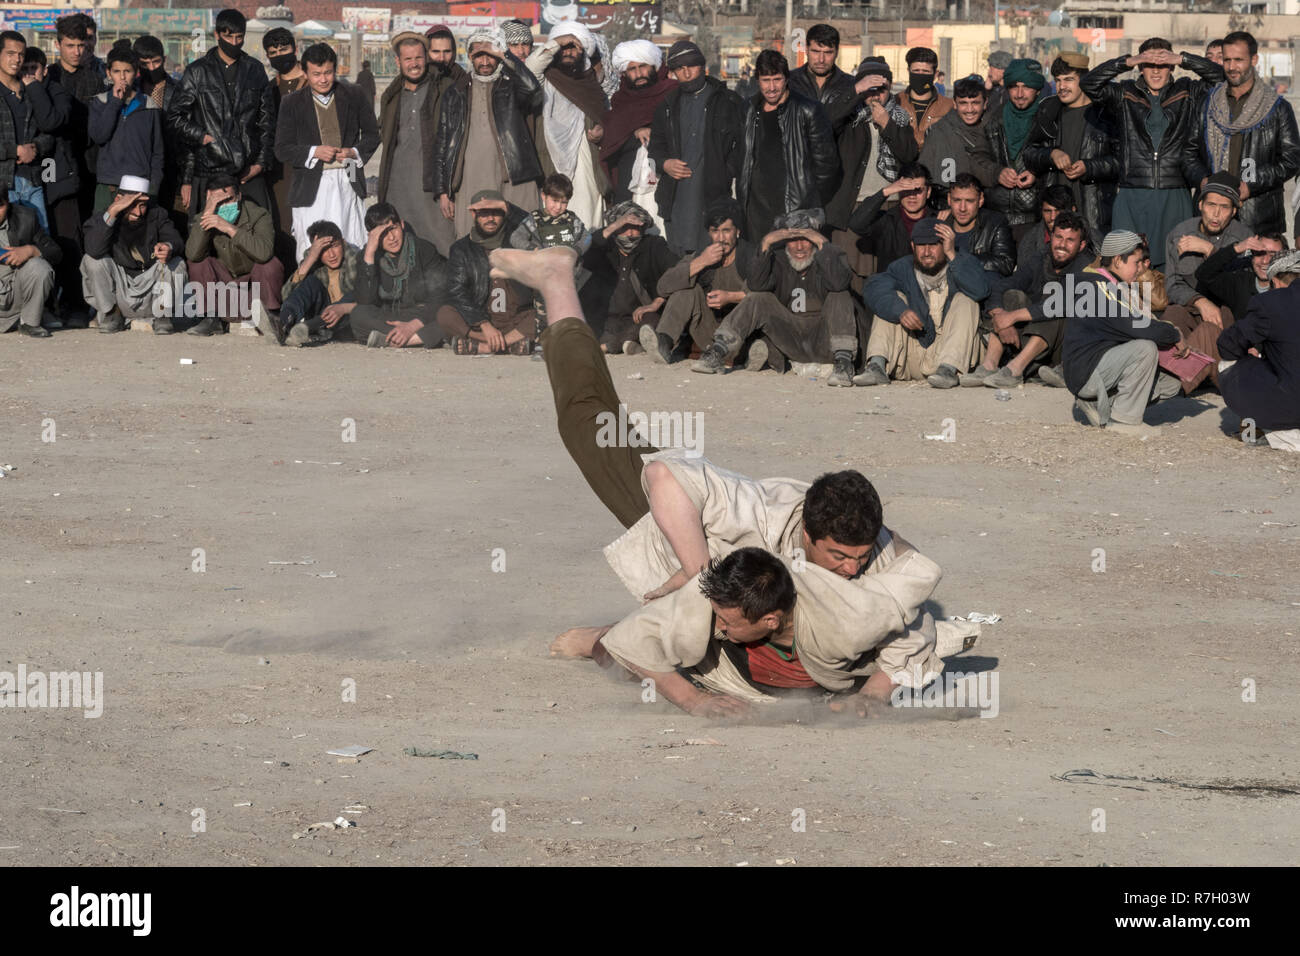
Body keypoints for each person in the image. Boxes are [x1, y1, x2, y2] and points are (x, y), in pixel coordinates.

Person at [483, 245, 968, 712]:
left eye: (858, 559)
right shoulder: (762, 513)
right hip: (676, 520)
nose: (848, 570)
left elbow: (913, 596)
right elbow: (663, 476)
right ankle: (557, 281)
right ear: (806, 533)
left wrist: (873, 694)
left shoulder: (868, 553)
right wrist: (695, 571)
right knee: (588, 423)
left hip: (736, 622)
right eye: (838, 556)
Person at [1082, 37, 1224, 269]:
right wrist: (1128, 60)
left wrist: (1183, 58)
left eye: (1163, 65)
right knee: (1126, 265)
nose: (1156, 72)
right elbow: (1088, 83)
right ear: (1140, 67)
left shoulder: (1187, 91)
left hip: (1174, 191)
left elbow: (1222, 78)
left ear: (1171, 67)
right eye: (1149, 65)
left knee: (1173, 264)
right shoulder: (1124, 94)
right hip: (1132, 192)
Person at [692, 208, 859, 386]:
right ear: (785, 242)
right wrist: (767, 242)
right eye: (793, 241)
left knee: (839, 295)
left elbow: (839, 283)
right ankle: (718, 351)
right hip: (791, 340)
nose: (799, 247)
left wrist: (822, 243)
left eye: (805, 239)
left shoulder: (826, 257)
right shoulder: (779, 260)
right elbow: (755, 285)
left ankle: (843, 365)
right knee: (758, 297)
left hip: (826, 342)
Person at [1062, 230, 1186, 438]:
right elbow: (1138, 327)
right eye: (1137, 262)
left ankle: (1100, 405)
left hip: (1100, 365)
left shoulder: (1112, 285)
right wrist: (1174, 333)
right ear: (1118, 260)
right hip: (1086, 372)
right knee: (1144, 348)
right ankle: (1124, 421)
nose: (1141, 269)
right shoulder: (1098, 286)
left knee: (1170, 384)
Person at [433, 27, 544, 242]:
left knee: (522, 238)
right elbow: (443, 142)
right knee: (473, 237)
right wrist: (443, 191)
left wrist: (504, 54)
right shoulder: (456, 92)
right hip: (471, 176)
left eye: (490, 55)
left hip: (514, 173)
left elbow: (533, 90)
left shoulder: (510, 87)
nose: (485, 62)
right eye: (478, 55)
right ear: (470, 57)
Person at [273, 43, 379, 260]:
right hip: (311, 187)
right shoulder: (291, 102)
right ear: (305, 72)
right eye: (316, 74)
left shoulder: (354, 94)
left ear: (336, 70)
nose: (323, 79)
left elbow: (372, 135)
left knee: (351, 242)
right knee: (312, 247)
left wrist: (354, 152)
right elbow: (282, 149)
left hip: (347, 180)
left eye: (328, 73)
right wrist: (313, 152)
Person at [964, 210, 1092, 388]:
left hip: (1063, 347)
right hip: (1028, 340)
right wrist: (1000, 316)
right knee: (1012, 295)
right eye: (1058, 237)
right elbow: (1002, 285)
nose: (1062, 244)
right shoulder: (1041, 258)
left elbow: (1058, 304)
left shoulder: (1086, 266)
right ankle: (989, 365)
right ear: (1051, 237)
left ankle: (1015, 370)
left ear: (1081, 245)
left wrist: (1013, 317)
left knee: (1053, 301)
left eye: (1070, 240)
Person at [168, 9, 276, 218]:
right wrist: (202, 137)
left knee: (255, 236)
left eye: (239, 37)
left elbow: (266, 122)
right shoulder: (197, 72)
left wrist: (260, 164)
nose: (234, 42)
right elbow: (174, 117)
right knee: (206, 237)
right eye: (228, 36)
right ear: (217, 35)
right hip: (209, 168)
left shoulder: (255, 70)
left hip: (247, 171)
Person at [859, 216, 989, 388]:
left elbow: (980, 290)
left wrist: (952, 254)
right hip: (913, 355)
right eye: (921, 245)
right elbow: (872, 288)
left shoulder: (963, 262)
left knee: (966, 300)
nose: (927, 252)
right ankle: (876, 366)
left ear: (945, 244)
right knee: (889, 300)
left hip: (953, 355)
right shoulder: (902, 267)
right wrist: (901, 311)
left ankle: (948, 371)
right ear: (913, 246)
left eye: (934, 244)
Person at [1193, 30, 1300, 237]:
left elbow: (1291, 160)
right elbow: (1189, 151)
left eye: (1239, 60)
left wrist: (1250, 186)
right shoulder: (1208, 104)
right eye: (1227, 60)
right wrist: (1204, 181)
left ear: (1254, 59)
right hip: (1211, 216)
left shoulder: (1277, 108)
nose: (1232, 67)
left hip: (1258, 218)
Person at [647, 40, 743, 256]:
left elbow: (742, 147)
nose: (687, 73)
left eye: (691, 65)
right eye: (680, 68)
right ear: (673, 73)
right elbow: (654, 150)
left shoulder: (728, 101)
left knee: (713, 254)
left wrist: (725, 171)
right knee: (680, 257)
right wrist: (664, 164)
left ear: (702, 65)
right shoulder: (667, 105)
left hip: (713, 195)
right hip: (676, 196)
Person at [826, 57, 917, 286]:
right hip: (852, 206)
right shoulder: (849, 119)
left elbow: (909, 154)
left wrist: (887, 124)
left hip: (890, 205)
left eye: (882, 90)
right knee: (852, 276)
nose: (875, 96)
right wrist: (855, 90)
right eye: (870, 89)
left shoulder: (900, 117)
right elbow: (823, 121)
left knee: (888, 273)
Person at [377, 30, 463, 257]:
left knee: (442, 244)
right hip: (398, 186)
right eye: (408, 59)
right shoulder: (392, 95)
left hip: (432, 186)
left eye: (418, 57)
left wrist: (447, 189)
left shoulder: (444, 88)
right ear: (398, 61)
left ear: (426, 57)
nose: (414, 64)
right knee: (403, 247)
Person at [737, 49, 839, 242]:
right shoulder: (748, 109)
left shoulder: (809, 109)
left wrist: (807, 200)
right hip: (756, 210)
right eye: (766, 80)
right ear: (757, 80)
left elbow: (827, 166)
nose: (772, 87)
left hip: (795, 210)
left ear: (786, 79)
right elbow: (743, 157)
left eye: (777, 79)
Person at [1022, 53, 1120, 246]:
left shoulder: (1106, 113)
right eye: (1057, 80)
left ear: (1084, 79)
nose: (1061, 87)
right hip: (1055, 217)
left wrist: (1089, 167)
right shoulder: (1048, 109)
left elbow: (1122, 162)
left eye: (1069, 80)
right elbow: (1029, 153)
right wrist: (1051, 154)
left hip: (1093, 214)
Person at [647, 200, 754, 364]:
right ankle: (664, 342)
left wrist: (731, 297)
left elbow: (764, 296)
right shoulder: (703, 254)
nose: (720, 238)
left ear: (737, 231)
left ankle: (747, 355)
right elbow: (663, 287)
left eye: (726, 231)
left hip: (741, 333)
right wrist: (701, 262)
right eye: (715, 231)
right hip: (710, 333)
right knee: (687, 289)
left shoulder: (750, 256)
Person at [525, 22, 609, 230]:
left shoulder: (590, 84)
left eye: (574, 47)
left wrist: (602, 131)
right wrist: (557, 42)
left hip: (585, 155)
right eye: (564, 47)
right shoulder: (545, 80)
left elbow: (607, 118)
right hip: (550, 155)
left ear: (584, 52)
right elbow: (529, 68)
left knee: (588, 215)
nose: (568, 51)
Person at [21, 44, 82, 325]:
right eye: (25, 70)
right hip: (33, 182)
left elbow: (49, 120)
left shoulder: (55, 92)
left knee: (66, 245)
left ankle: (74, 305)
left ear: (45, 70)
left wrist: (34, 87)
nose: (28, 75)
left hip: (60, 180)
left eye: (34, 69)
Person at [80, 175, 185, 334]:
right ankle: (111, 314)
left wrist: (168, 247)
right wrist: (113, 211)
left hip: (152, 290)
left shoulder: (157, 215)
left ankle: (163, 315)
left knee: (176, 263)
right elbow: (94, 249)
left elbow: (175, 240)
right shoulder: (102, 218)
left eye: (142, 205)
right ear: (118, 199)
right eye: (132, 205)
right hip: (120, 291)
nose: (138, 212)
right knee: (91, 260)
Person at [184, 173, 283, 336]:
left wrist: (230, 229)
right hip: (227, 292)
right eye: (217, 201)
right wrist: (207, 215)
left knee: (270, 264)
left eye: (228, 199)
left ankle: (271, 317)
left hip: (254, 292)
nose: (223, 205)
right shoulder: (204, 216)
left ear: (239, 196)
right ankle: (211, 318)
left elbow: (264, 253)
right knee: (198, 263)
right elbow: (193, 254)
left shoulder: (259, 215)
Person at [437, 190, 535, 355]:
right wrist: (484, 324)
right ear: (474, 214)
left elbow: (538, 228)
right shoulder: (461, 249)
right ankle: (506, 344)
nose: (490, 219)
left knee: (544, 313)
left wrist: (507, 206)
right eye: (484, 214)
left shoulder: (518, 240)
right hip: (481, 322)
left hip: (516, 319)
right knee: (445, 314)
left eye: (496, 213)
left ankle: (485, 347)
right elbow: (456, 291)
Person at [1218, 249, 1300, 438]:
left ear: (1276, 281)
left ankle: (1257, 429)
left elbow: (1227, 345)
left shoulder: (1271, 302)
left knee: (1233, 364)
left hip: (1292, 408)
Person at [579, 200, 676, 354]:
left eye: (635, 228)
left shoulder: (653, 245)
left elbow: (675, 271)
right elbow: (587, 248)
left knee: (652, 322)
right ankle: (627, 344)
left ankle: (609, 347)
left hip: (637, 318)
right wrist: (616, 224)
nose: (630, 234)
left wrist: (657, 302)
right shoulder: (606, 248)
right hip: (606, 320)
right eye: (624, 227)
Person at [349, 202, 446, 349]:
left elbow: (440, 296)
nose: (391, 238)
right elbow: (365, 300)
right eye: (383, 234)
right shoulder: (367, 256)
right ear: (372, 236)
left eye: (393, 229)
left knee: (451, 314)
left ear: (401, 224)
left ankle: (403, 339)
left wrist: (412, 326)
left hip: (422, 315)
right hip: (392, 317)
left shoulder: (423, 249)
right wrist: (369, 255)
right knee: (358, 314)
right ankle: (419, 338)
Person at [1163, 172, 1251, 330]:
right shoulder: (1178, 234)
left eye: (1224, 207)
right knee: (1171, 317)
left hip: (1226, 310)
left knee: (1215, 326)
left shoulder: (1244, 238)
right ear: (1200, 205)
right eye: (1211, 205)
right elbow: (1173, 284)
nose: (1216, 214)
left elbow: (1240, 288)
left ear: (1233, 212)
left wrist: (1209, 250)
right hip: (1190, 306)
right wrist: (1200, 302)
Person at [974, 58, 1046, 241]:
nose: (1020, 94)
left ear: (1037, 90)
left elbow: (1057, 162)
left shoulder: (1049, 122)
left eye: (1026, 87)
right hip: (995, 218)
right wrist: (997, 172)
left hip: (1036, 219)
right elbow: (977, 159)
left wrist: (1036, 174)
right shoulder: (991, 121)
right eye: (1014, 87)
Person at [87, 46, 163, 213]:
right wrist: (115, 102)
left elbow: (157, 152)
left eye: (127, 71)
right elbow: (99, 136)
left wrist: (153, 188)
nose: (122, 77)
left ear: (135, 73)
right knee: (101, 233)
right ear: (108, 73)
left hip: (139, 184)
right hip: (108, 185)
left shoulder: (149, 106)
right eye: (116, 71)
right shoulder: (99, 102)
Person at [598, 40, 675, 203]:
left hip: (666, 172)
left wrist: (655, 131)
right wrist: (634, 132)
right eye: (632, 69)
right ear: (624, 74)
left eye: (643, 66)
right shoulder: (620, 101)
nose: (639, 74)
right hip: (629, 173)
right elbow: (613, 141)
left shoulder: (672, 92)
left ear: (654, 67)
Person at [133, 35, 187, 237]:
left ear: (164, 59)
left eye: (156, 62)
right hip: (138, 164)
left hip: (171, 166)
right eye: (145, 63)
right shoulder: (132, 89)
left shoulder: (177, 89)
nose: (152, 68)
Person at [263, 27, 307, 270]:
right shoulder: (269, 89)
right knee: (282, 228)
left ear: (295, 49)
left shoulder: (314, 83)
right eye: (273, 52)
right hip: (279, 173)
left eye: (284, 49)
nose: (279, 55)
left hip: (308, 169)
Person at [276, 219, 360, 347]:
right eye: (324, 250)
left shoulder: (354, 257)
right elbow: (287, 294)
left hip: (346, 319)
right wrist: (310, 259)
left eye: (335, 246)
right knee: (310, 282)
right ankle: (282, 325)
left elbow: (362, 297)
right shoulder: (313, 259)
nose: (331, 255)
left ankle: (305, 328)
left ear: (343, 242)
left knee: (355, 292)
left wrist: (341, 308)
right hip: (322, 315)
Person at [920, 76, 996, 207]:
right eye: (963, 103)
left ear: (985, 103)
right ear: (954, 104)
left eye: (975, 103)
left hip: (988, 204)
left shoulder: (995, 129)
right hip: (947, 205)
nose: (969, 109)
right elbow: (924, 174)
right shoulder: (939, 131)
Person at [0, 31, 48, 231]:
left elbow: (49, 130)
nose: (17, 59)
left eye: (21, 54)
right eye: (10, 53)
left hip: (32, 181)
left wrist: (36, 147)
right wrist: (16, 151)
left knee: (42, 243)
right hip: (3, 185)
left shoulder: (30, 90)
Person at [849, 160, 933, 268]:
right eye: (906, 190)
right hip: (893, 283)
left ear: (928, 192)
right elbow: (855, 224)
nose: (912, 196)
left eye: (917, 190)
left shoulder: (938, 220)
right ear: (898, 190)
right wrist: (885, 191)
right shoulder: (887, 220)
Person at [0, 193, 59, 337]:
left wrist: (31, 250)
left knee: (39, 267)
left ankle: (29, 322)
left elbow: (55, 251)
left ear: (8, 203)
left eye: (0, 206)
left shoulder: (25, 218)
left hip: (12, 293)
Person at [937, 172, 1015, 276]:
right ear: (949, 199)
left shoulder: (995, 223)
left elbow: (1006, 264)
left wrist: (957, 258)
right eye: (957, 200)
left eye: (969, 201)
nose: (962, 208)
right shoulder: (939, 223)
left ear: (981, 200)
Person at [897, 46, 953, 148]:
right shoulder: (896, 102)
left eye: (925, 71)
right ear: (908, 71)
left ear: (935, 74)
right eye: (916, 71)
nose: (920, 75)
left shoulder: (949, 106)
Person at [985, 50, 1012, 115]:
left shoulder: (1011, 91)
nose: (989, 72)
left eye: (992, 69)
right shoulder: (995, 89)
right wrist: (986, 91)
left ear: (1003, 70)